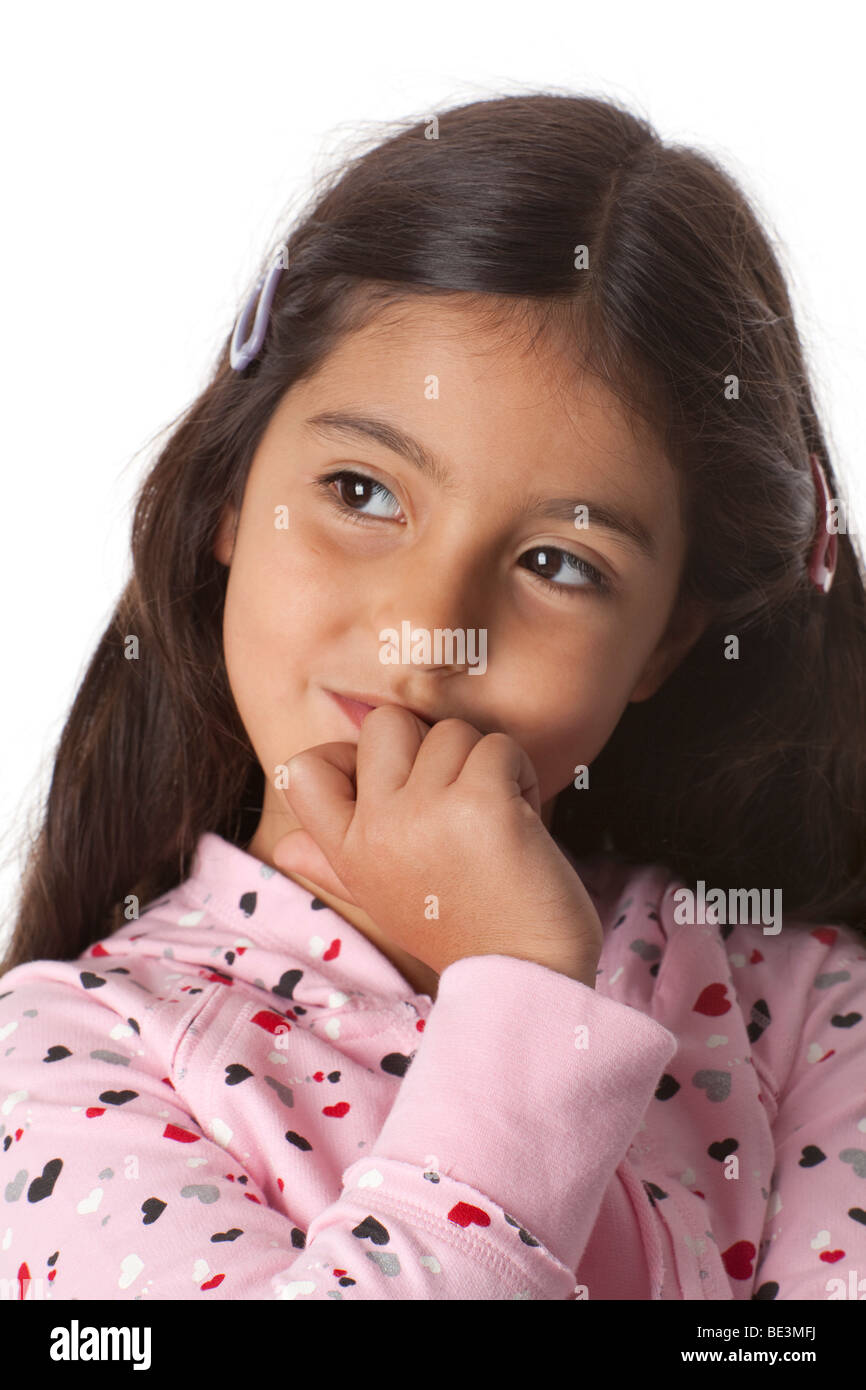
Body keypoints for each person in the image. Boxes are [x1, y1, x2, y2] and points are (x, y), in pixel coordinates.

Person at [1, 91, 864, 1302]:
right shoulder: (69, 1058)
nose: (427, 625)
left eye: (558, 564)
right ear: (233, 499)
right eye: (360, 491)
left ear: (664, 643)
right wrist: (518, 991)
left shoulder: (803, 1004)